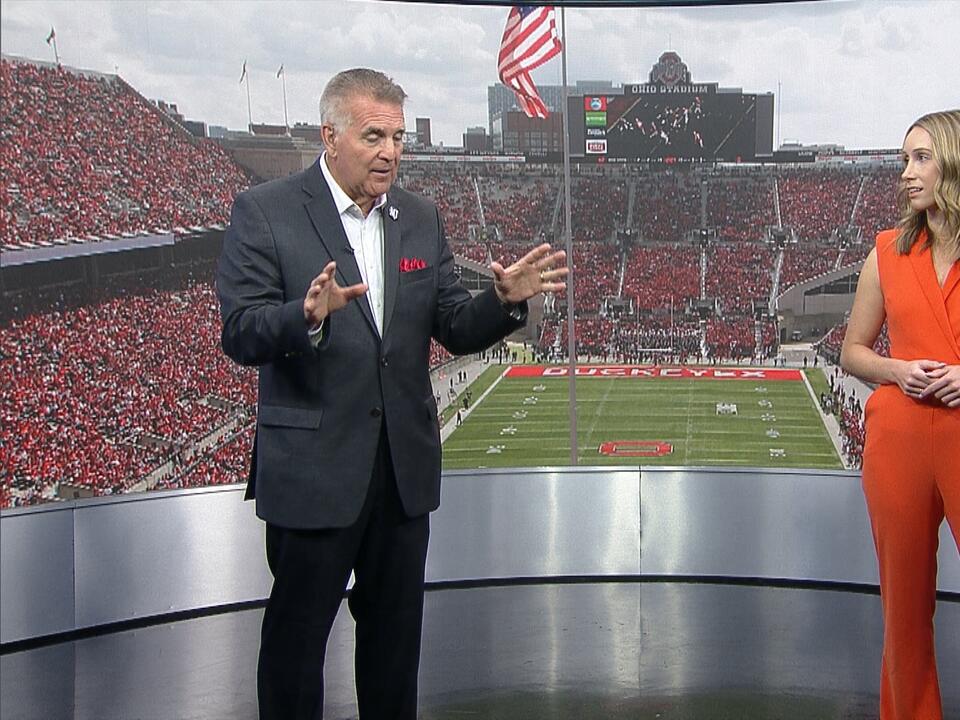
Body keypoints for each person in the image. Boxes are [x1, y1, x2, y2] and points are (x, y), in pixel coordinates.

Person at [216, 68, 567, 720]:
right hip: (315, 473)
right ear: (331, 135)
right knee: (295, 650)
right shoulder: (265, 211)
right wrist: (307, 315)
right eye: (374, 135)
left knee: (394, 646)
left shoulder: (419, 218)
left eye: (399, 137)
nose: (391, 152)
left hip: (401, 476)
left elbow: (454, 326)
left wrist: (502, 301)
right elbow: (240, 332)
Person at [840, 109, 960, 720]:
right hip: (899, 438)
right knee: (904, 612)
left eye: (920, 158)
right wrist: (897, 369)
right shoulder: (886, 251)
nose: (905, 173)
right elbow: (852, 350)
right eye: (903, 159)